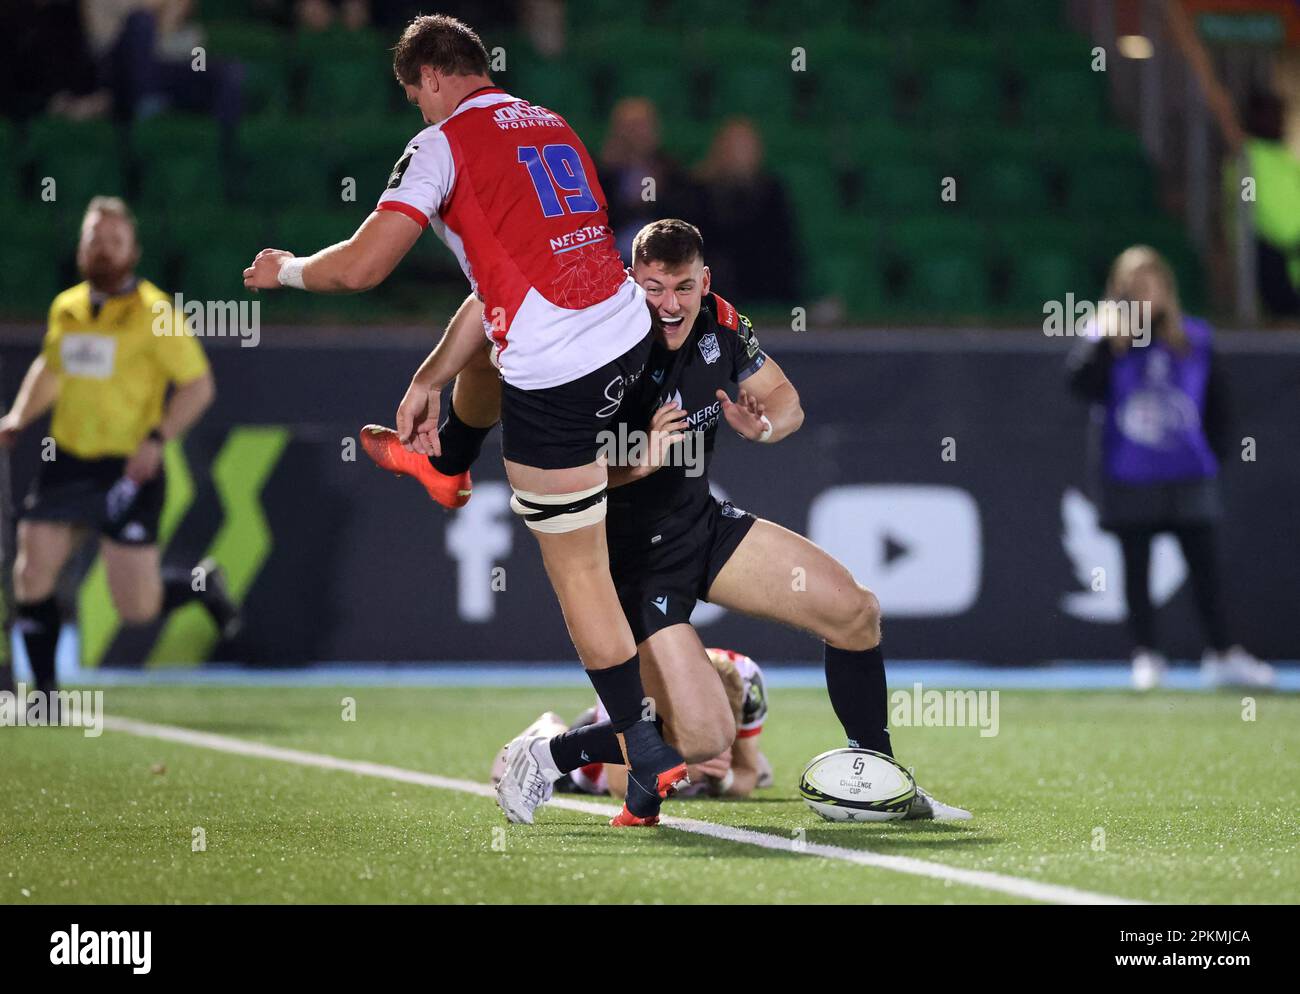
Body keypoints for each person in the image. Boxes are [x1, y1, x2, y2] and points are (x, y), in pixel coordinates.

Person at [364, 219, 970, 825]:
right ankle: (550, 754)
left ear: (704, 282)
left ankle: (880, 777)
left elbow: (786, 402)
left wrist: (765, 426)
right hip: (634, 562)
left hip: (701, 527)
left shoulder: (724, 325)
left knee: (855, 611)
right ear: (631, 282)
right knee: (706, 739)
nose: (670, 304)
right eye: (653, 287)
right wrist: (640, 459)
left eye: (682, 287)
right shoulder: (594, 344)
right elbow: (558, 478)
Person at [242, 13, 689, 824]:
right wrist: (428, 375)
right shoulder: (547, 121)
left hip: (559, 375)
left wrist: (289, 271)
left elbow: (367, 265)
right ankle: (450, 460)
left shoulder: (442, 144)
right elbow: (498, 285)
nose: (417, 108)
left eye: (414, 93)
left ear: (433, 77)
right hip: (631, 340)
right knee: (508, 376)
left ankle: (642, 747)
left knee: (581, 570)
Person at [0, 196, 239, 700]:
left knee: (136, 608)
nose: (103, 249)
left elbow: (198, 387)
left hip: (129, 469)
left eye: (114, 241)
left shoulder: (155, 313)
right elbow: (51, 369)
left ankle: (200, 584)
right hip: (66, 460)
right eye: (94, 239)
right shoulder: (66, 308)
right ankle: (44, 694)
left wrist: (157, 439)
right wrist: (20, 416)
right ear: (82, 248)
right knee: (32, 570)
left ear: (133, 250)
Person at [1067, 245, 1274, 691]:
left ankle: (1222, 653)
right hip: (1129, 473)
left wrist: (1214, 456)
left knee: (1206, 569)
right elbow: (1080, 387)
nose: (1146, 294)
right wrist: (1104, 340)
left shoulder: (1194, 337)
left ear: (1167, 289)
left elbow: (1219, 407)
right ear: (1119, 293)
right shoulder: (1107, 338)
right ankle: (1146, 655)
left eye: (1153, 284)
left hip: (1187, 472)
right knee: (1136, 569)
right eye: (1135, 286)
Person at [491, 647, 774, 800]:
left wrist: (723, 778)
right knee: (521, 764)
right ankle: (547, 731)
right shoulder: (637, 680)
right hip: (601, 762)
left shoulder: (746, 680)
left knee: (761, 770)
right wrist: (686, 770)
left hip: (667, 737)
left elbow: (746, 775)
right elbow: (618, 786)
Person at [694, 117, 801, 305]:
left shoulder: (772, 191)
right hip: (717, 280)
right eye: (734, 147)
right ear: (720, 150)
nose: (739, 156)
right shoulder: (698, 191)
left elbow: (782, 243)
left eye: (745, 148)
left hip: (764, 280)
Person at [598, 97, 701, 261]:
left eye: (641, 126)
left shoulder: (670, 169)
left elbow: (682, 216)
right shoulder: (600, 173)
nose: (634, 135)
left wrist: (653, 193)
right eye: (628, 127)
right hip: (611, 257)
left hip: (662, 254)